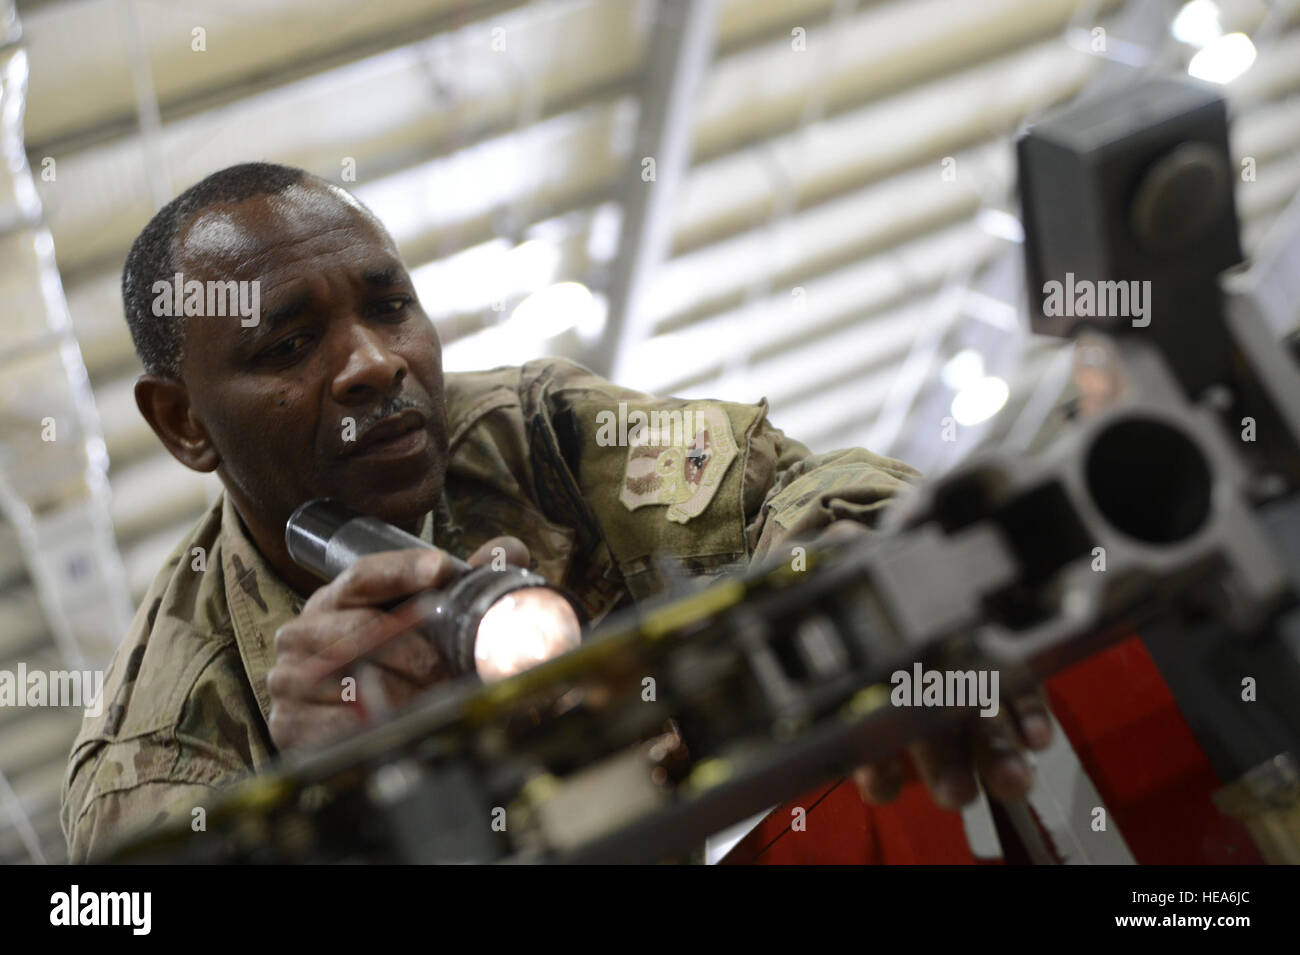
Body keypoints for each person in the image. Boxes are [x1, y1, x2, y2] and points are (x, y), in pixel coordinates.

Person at [60, 162, 1051, 862]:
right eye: (287, 346)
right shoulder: (160, 746)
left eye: (389, 304)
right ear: (185, 422)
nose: (373, 362)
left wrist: (877, 584)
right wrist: (334, 807)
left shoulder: (530, 432)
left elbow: (798, 487)